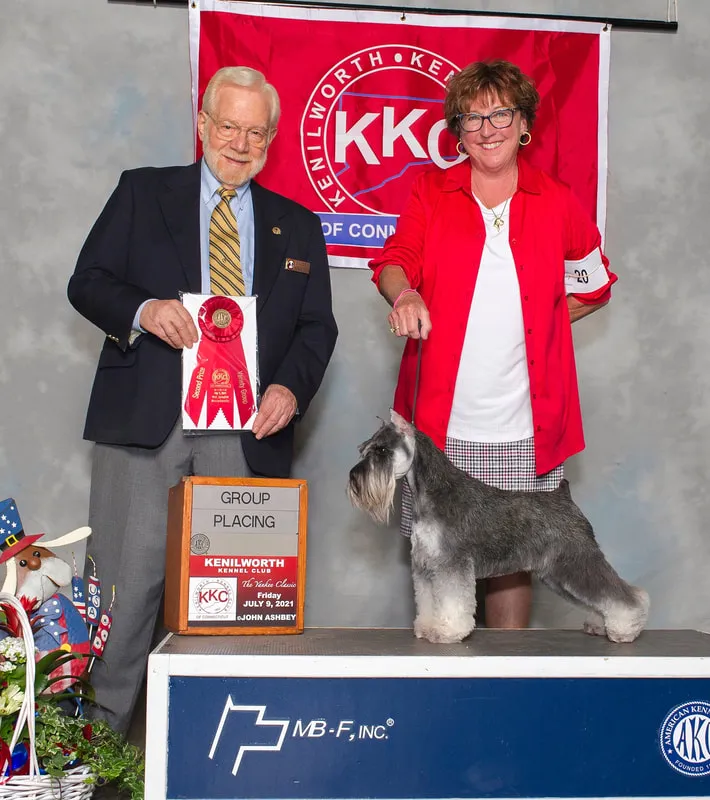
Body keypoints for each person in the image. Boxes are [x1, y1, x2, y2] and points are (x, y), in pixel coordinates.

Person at [68, 66, 337, 732]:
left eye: (255, 131)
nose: (240, 143)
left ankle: (221, 758)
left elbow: (316, 327)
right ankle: (99, 767)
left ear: (271, 139)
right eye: (228, 126)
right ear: (202, 124)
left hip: (246, 436)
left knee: (237, 609)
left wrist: (290, 387)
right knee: (122, 607)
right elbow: (88, 282)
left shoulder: (298, 226)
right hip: (145, 429)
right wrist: (143, 308)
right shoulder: (141, 192)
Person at [368, 60, 616, 630]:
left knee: (514, 558)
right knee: (438, 546)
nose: (488, 128)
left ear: (524, 122)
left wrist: (547, 324)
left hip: (523, 418)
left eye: (500, 113)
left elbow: (595, 283)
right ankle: (447, 665)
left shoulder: (556, 199)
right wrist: (405, 296)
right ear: (457, 131)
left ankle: (509, 674)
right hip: (440, 420)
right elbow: (393, 261)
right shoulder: (432, 191)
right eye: (472, 117)